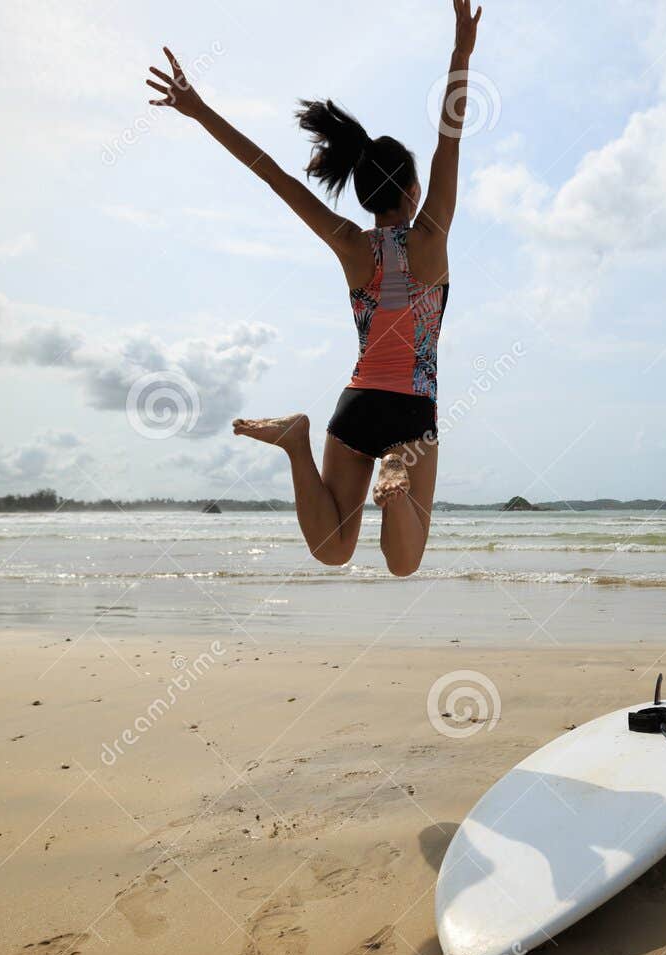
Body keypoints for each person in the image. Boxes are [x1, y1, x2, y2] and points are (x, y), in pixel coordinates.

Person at [145, 1, 482, 575]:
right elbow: (450, 134)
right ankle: (396, 465)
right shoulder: (432, 235)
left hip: (357, 406)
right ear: (413, 188)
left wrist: (200, 112)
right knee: (403, 563)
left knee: (333, 550)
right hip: (412, 410)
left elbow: (271, 172)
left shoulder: (351, 245)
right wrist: (460, 52)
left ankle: (297, 442)